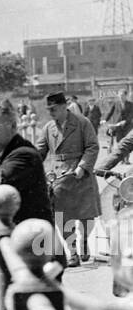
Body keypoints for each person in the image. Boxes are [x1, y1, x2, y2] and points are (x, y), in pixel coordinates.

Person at [37, 91, 101, 265]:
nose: (51, 113)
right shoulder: (48, 128)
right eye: (49, 109)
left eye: (54, 109)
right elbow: (39, 152)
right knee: (63, 217)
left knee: (87, 216)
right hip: (59, 178)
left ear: (65, 106)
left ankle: (85, 242)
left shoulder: (82, 123)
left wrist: (83, 166)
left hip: (81, 175)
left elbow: (92, 147)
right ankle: (72, 252)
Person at [0, 100, 53, 226]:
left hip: (34, 241)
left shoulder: (24, 156)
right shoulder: (11, 152)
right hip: (26, 237)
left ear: (13, 126)